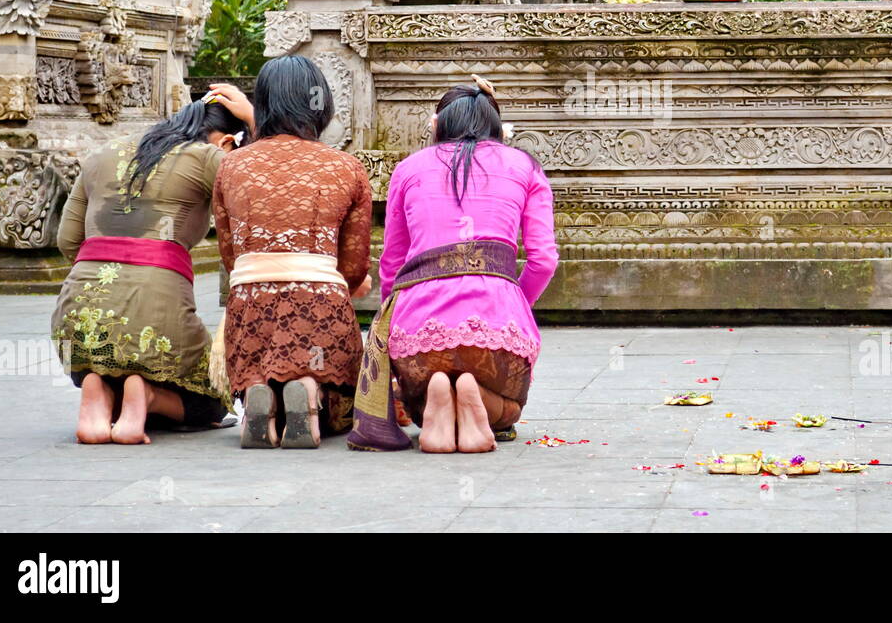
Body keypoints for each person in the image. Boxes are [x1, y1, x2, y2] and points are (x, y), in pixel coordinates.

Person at [363, 75, 557, 453]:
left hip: (419, 329)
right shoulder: (525, 167)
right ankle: (483, 405)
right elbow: (544, 260)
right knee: (510, 408)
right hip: (498, 328)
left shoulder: (408, 168)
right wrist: (517, 303)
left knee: (418, 392)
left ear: (436, 125)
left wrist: (393, 316)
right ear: (497, 127)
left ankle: (431, 402)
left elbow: (392, 265)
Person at [51, 85, 253, 445]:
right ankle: (145, 396)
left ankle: (98, 389)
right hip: (156, 313)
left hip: (76, 313)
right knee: (210, 401)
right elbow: (267, 188)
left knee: (110, 360)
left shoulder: (102, 154)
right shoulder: (209, 157)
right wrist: (255, 119)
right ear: (226, 142)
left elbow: (68, 241)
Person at [212, 55, 373, 449]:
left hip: (250, 304)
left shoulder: (231, 167)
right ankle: (310, 392)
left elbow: (231, 256)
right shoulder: (346, 167)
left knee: (260, 350)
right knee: (334, 385)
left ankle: (256, 392)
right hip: (320, 304)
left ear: (262, 106)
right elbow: (354, 265)